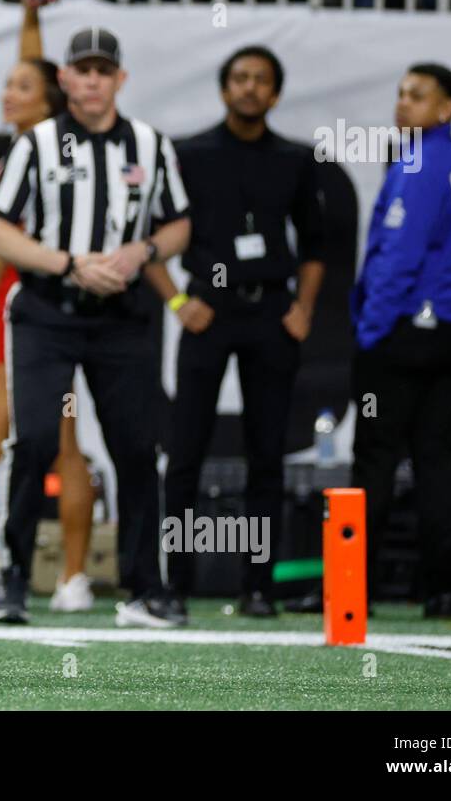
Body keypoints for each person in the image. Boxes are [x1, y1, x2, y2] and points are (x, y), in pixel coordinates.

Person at [0, 27, 191, 627]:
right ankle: (13, 579)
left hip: (123, 318)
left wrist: (141, 252)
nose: (93, 80)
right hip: (49, 310)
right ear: (65, 80)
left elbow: (179, 226)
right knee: (38, 440)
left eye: (104, 71)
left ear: (119, 80)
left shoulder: (150, 145)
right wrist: (69, 263)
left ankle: (146, 588)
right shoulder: (38, 143)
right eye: (83, 70)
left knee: (135, 447)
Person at [145, 46, 325, 620]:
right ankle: (176, 586)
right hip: (208, 311)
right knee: (186, 453)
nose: (249, 88)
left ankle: (258, 588)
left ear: (274, 94)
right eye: (240, 79)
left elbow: (317, 246)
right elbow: (150, 239)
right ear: (225, 89)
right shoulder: (190, 154)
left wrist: (304, 308)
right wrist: (176, 299)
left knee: (266, 454)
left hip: (272, 313)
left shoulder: (295, 160)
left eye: (261, 81)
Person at [0, 0, 95, 613]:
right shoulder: (50, 150)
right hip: (35, 308)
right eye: (6, 85)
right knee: (40, 443)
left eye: (21, 87)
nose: (7, 93)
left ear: (49, 99)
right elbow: (37, 66)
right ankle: (62, 577)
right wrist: (33, 8)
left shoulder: (33, 153)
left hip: (19, 311)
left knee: (12, 445)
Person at [351, 62, 451, 617]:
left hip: (404, 329)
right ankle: (443, 590)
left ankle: (351, 591)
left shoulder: (419, 162)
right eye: (401, 93)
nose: (403, 104)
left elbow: (397, 257)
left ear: (447, 108)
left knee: (375, 460)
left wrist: (370, 331)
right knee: (435, 459)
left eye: (417, 95)